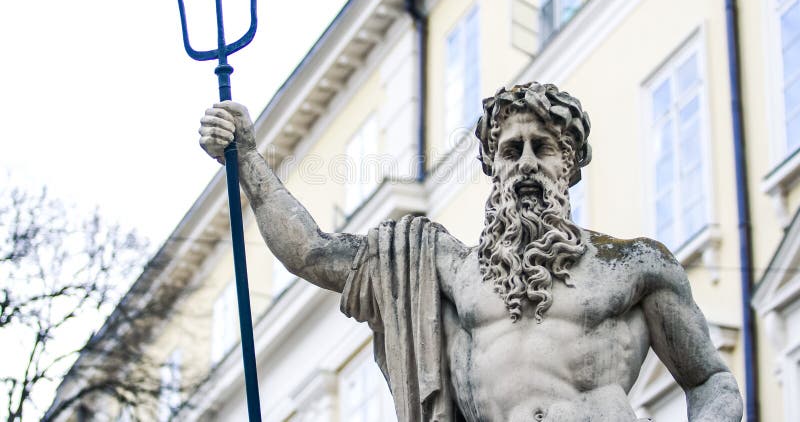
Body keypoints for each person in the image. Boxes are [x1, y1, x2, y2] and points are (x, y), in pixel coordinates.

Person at [199, 82, 742, 421]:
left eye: (543, 148)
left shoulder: (634, 266)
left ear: (569, 164)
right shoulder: (442, 269)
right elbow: (312, 254)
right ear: (493, 168)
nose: (526, 163)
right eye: (510, 151)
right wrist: (247, 157)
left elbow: (711, 381)